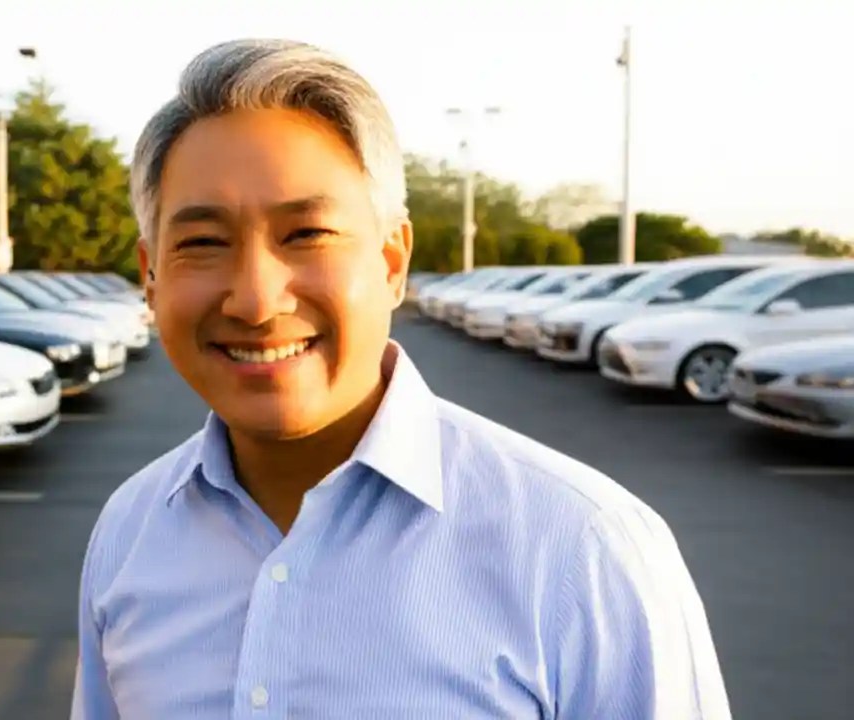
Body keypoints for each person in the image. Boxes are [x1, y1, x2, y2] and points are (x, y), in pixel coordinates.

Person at [71, 38, 732, 719]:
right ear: (151, 277)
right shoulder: (130, 531)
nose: (257, 301)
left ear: (392, 262)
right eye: (204, 243)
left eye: (306, 234)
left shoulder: (581, 549)